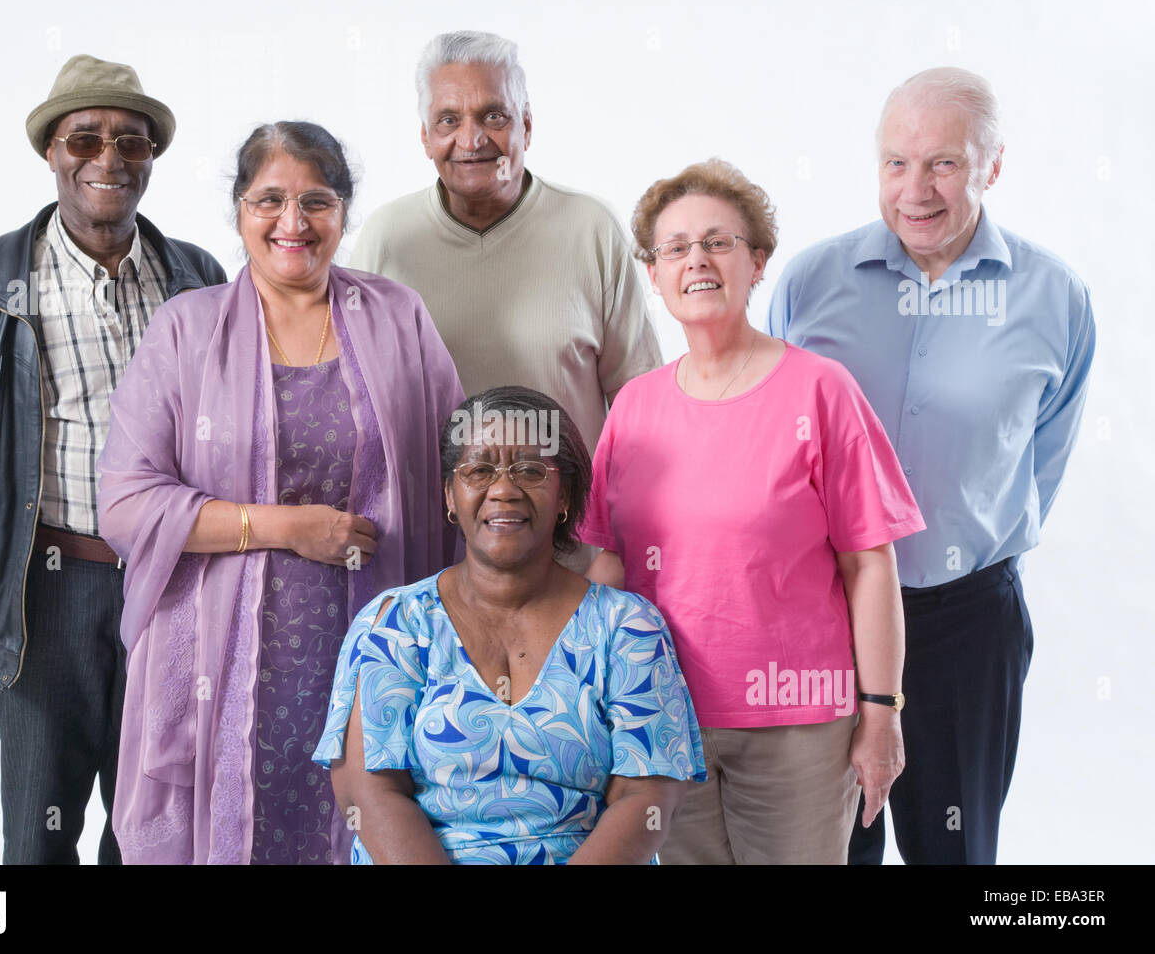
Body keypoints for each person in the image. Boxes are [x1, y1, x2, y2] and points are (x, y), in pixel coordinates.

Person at [97, 121, 463, 865]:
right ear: (238, 211)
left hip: (373, 642)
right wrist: (284, 527)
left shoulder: (397, 317)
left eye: (316, 201)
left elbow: (456, 471)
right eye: (270, 200)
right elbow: (127, 504)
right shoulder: (186, 331)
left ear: (343, 212)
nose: (292, 223)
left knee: (366, 826)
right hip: (220, 657)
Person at [768, 67, 1097, 865]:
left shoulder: (1054, 299)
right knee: (828, 849)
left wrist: (963, 540)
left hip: (966, 623)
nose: (916, 189)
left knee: (956, 851)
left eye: (944, 163)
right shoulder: (811, 284)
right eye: (895, 163)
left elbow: (1039, 461)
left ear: (993, 165)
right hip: (826, 616)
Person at [0, 54, 227, 864]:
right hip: (43, 598)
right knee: (36, 838)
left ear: (152, 158)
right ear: (50, 154)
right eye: (84, 139)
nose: (109, 160)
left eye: (131, 142)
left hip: (173, 586)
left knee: (155, 833)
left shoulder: (199, 280)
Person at [580, 159, 927, 864]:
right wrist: (596, 701)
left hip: (800, 726)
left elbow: (870, 563)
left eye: (718, 242)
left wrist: (882, 712)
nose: (696, 260)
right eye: (675, 247)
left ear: (757, 261)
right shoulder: (636, 407)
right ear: (653, 273)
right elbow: (608, 568)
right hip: (663, 720)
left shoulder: (820, 391)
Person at [313, 386, 705, 864]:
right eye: (479, 470)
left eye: (531, 470)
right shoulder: (394, 623)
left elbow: (647, 798)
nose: (503, 489)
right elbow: (369, 792)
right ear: (450, 496)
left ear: (565, 497)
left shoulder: (627, 628)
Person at [347, 31, 661, 569]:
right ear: (425, 136)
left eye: (494, 116)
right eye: (449, 120)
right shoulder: (385, 240)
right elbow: (357, 405)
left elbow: (642, 407)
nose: (471, 140)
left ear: (528, 126)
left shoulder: (590, 230)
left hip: (571, 565)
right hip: (433, 562)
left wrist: (616, 548)